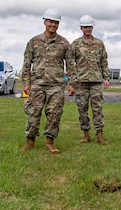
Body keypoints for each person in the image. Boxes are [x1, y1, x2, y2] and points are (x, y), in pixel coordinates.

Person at [22, 8, 71, 154]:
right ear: (45, 21)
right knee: (33, 113)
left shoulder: (64, 43)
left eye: (56, 22)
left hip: (56, 86)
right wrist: (26, 83)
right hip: (37, 84)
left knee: (54, 114)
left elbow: (71, 65)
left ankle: (50, 142)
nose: (53, 25)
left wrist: (72, 84)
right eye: (51, 21)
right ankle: (30, 141)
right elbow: (26, 63)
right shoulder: (34, 42)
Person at [67, 15, 111, 144]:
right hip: (81, 82)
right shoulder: (75, 44)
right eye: (85, 27)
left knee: (97, 108)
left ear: (92, 28)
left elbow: (104, 61)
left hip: (96, 81)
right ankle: (85, 134)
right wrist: (72, 83)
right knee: (82, 108)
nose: (87, 29)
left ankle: (99, 134)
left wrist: (106, 77)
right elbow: (70, 64)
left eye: (89, 27)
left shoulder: (99, 43)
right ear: (81, 28)